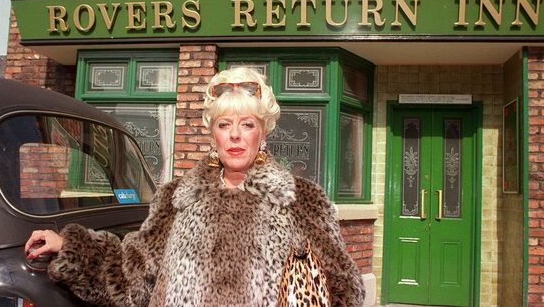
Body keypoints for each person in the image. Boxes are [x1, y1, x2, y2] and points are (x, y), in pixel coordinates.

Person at [24, 67, 365, 306]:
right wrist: (72, 247)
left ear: (263, 131)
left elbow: (344, 289)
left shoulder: (300, 200)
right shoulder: (177, 199)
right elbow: (131, 278)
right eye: (224, 124)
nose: (235, 135)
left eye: (247, 124)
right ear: (212, 131)